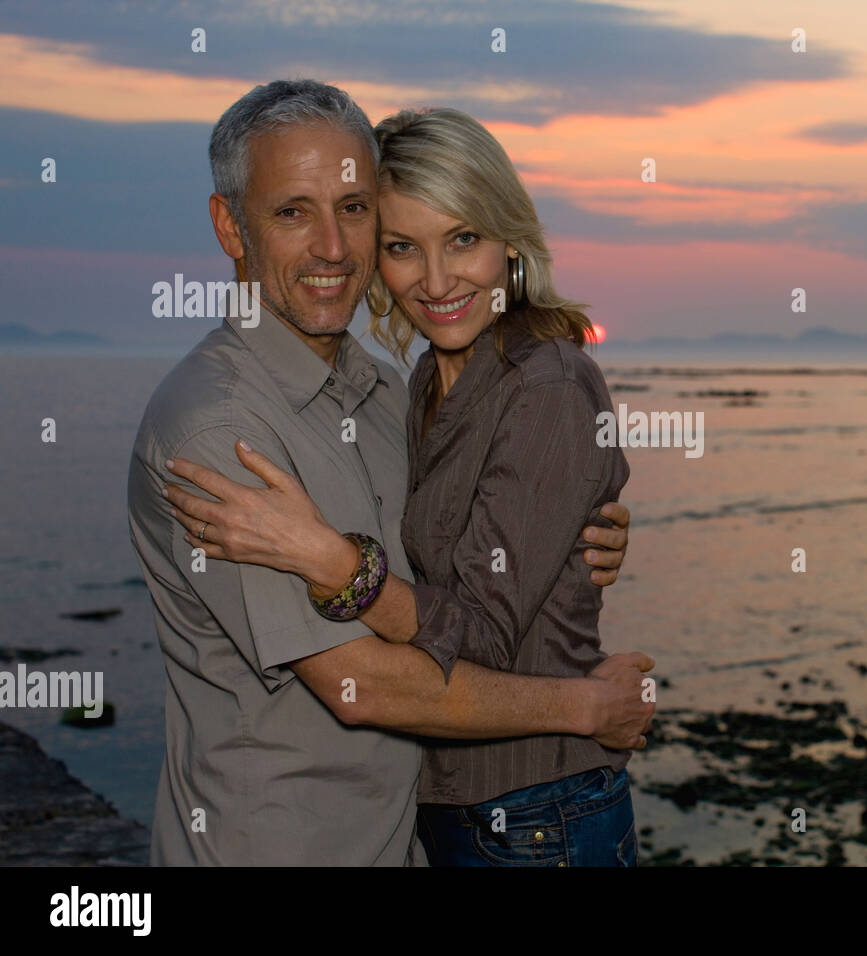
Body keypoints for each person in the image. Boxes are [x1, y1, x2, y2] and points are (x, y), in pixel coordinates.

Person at [127, 79, 653, 866]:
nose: (334, 249)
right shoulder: (221, 433)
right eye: (292, 212)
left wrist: (578, 542)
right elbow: (365, 684)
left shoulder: (380, 389)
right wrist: (586, 705)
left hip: (440, 833)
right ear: (229, 225)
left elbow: (475, 567)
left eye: (353, 211)